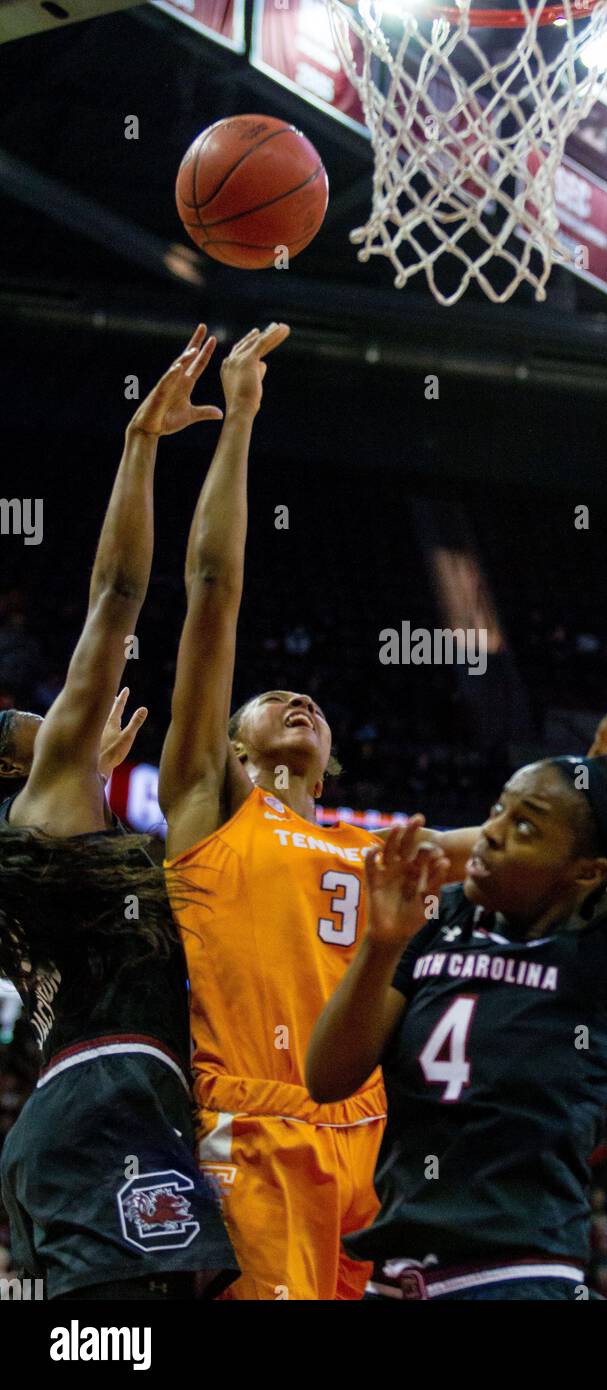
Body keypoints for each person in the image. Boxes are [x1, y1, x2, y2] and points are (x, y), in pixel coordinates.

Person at [158, 324, 607, 1300]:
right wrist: (238, 422)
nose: (298, 702)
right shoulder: (212, 810)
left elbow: (516, 842)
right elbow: (213, 593)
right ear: (230, 751)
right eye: (269, 702)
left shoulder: (379, 850)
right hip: (258, 1124)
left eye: (309, 703)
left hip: (379, 1138)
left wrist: (602, 766)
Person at [306, 578, 607, 1300]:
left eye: (521, 827)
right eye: (497, 810)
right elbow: (326, 1081)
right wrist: (379, 945)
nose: (491, 832)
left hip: (516, 1277)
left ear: (586, 873)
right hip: (391, 1279)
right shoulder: (440, 917)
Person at [0, 326, 237, 1300]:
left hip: (86, 1118)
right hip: (109, 1104)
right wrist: (141, 445)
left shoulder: (56, 815)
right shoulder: (45, 799)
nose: (47, 714)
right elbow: (117, 594)